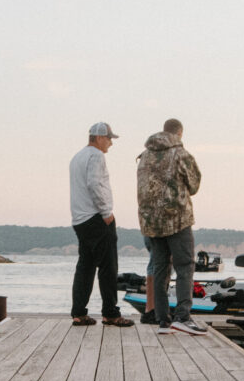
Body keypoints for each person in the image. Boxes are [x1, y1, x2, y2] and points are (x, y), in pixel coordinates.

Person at [137, 118, 205, 335]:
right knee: (185, 266)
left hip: (151, 221)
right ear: (180, 134)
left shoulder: (144, 155)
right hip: (177, 219)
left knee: (160, 268)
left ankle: (163, 321)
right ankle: (183, 317)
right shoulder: (180, 153)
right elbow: (194, 185)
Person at [68, 123, 132, 327]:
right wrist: (106, 212)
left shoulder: (77, 157)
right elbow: (94, 183)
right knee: (108, 266)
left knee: (85, 266)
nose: (111, 143)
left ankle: (79, 312)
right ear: (97, 138)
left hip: (80, 219)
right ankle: (111, 313)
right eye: (109, 138)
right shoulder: (96, 156)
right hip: (96, 217)